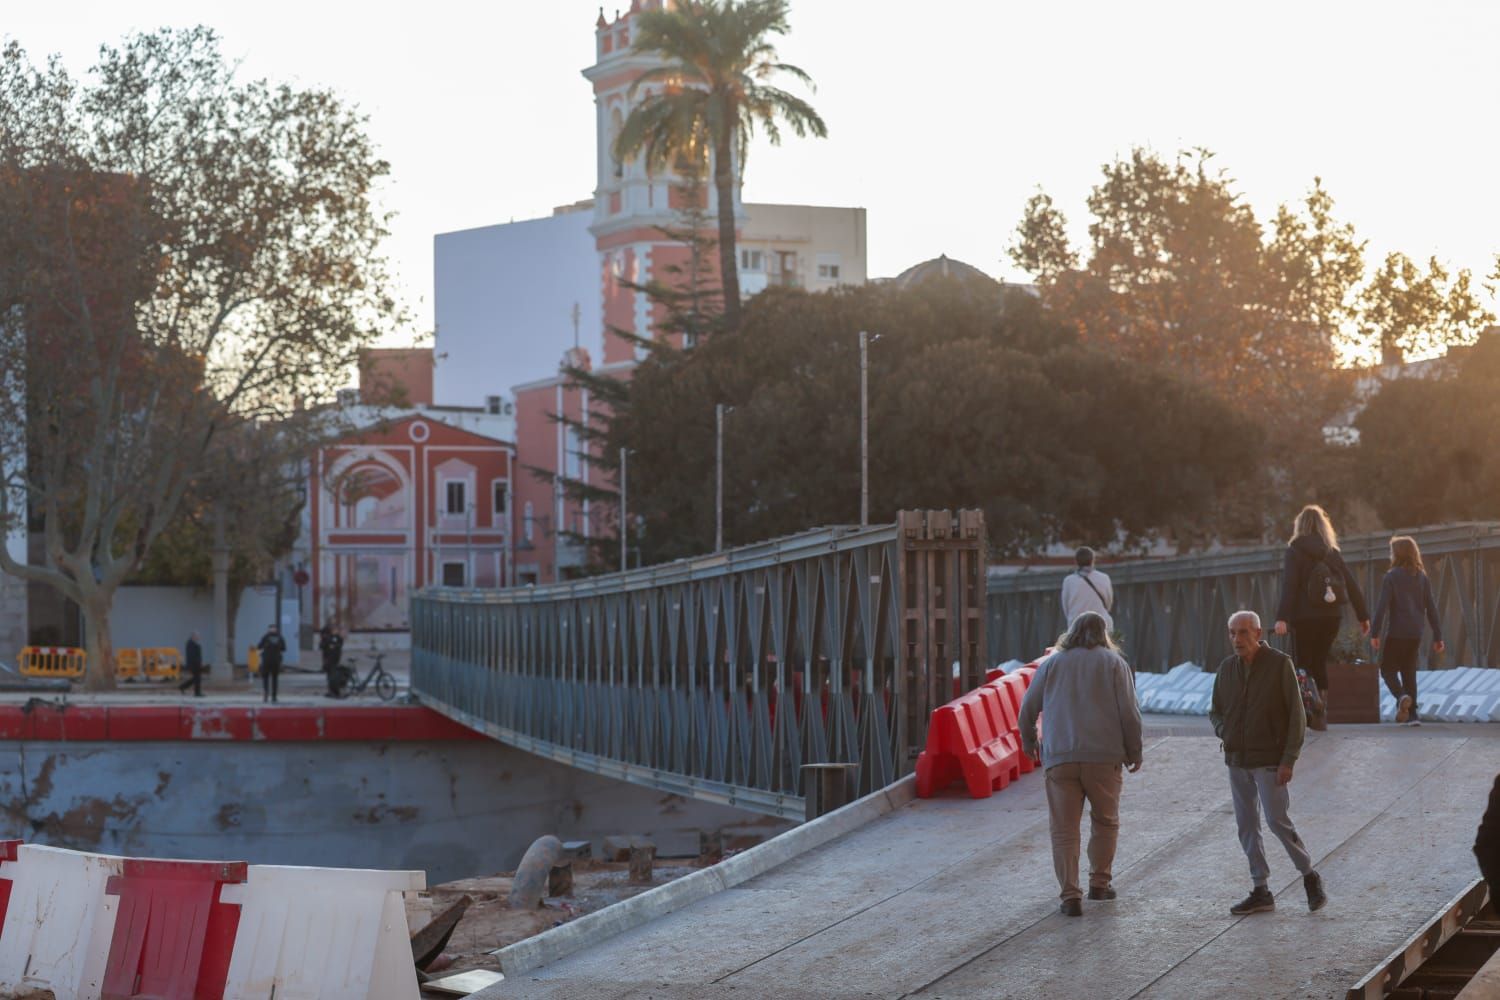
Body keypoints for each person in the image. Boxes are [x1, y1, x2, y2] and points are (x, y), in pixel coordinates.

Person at [1018, 611, 1143, 917]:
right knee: (1105, 820)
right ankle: (1099, 884)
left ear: (1070, 632)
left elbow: (1027, 709)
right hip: (1104, 758)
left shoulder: (1051, 664)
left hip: (1060, 758)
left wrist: (1029, 742)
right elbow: (1129, 713)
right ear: (1105, 635)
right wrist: (1134, 751)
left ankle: (1070, 896)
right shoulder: (1115, 664)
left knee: (1064, 829)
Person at [1211, 610, 1326, 915]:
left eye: (1245, 632)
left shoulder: (1278, 665)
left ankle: (1309, 875)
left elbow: (1297, 716)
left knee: (1277, 821)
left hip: (1270, 760)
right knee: (1246, 825)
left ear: (1259, 634)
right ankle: (1260, 888)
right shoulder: (1226, 670)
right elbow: (1215, 711)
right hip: (1237, 760)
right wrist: (1225, 731)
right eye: (1233, 633)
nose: (1238, 639)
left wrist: (1289, 758)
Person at [1273, 504, 1370, 715]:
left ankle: (1311, 702)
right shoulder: (1331, 551)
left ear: (1299, 525)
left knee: (1304, 661)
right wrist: (1363, 616)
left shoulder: (1294, 551)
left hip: (1304, 617)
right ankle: (1322, 708)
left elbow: (1289, 585)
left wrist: (1282, 618)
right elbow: (1351, 584)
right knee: (1320, 659)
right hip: (1331, 616)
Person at [1369, 535, 1444, 726]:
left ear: (1397, 554)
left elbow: (1382, 606)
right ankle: (1413, 716)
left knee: (1387, 670)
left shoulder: (1392, 576)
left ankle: (1402, 697)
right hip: (1416, 633)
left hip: (1397, 633)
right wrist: (1438, 636)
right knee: (1409, 671)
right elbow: (1432, 607)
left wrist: (1375, 633)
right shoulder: (1422, 577)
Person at [1060, 546, 1114, 631]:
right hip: (1101, 625)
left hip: (1076, 626)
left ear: (1076, 561)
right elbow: (1108, 604)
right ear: (1093, 560)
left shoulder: (1068, 581)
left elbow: (1066, 607)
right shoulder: (1104, 578)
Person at [257, 624, 286, 704]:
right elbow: (284, 648)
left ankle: (268, 695)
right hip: (275, 661)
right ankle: (272, 696)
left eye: (272, 628)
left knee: (267, 678)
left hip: (267, 660)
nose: (272, 630)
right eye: (272, 628)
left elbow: (259, 646)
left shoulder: (266, 637)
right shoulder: (279, 637)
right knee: (274, 679)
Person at [319, 622, 345, 698]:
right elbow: (321, 646)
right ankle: (331, 691)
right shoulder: (331, 638)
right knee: (329, 676)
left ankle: (335, 692)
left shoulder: (334, 638)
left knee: (333, 677)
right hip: (328, 659)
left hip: (332, 660)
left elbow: (335, 647)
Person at [178, 632, 204, 697]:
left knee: (196, 678)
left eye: (198, 636)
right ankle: (197, 693)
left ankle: (182, 687)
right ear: (193, 636)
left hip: (196, 664)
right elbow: (192, 656)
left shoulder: (193, 643)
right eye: (197, 636)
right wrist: (197, 664)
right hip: (194, 664)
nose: (198, 638)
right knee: (197, 678)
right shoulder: (191, 644)